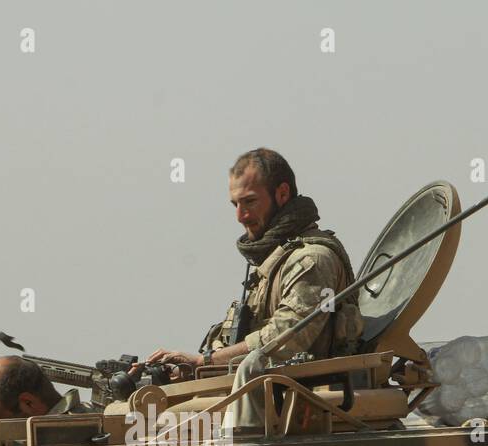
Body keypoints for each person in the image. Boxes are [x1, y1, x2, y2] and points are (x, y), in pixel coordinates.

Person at [146, 148, 365, 370]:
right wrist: (195, 367)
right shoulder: (275, 259)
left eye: (250, 202)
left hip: (309, 396)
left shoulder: (312, 259)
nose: (241, 216)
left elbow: (287, 338)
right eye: (236, 204)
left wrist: (207, 362)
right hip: (272, 391)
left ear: (282, 194)